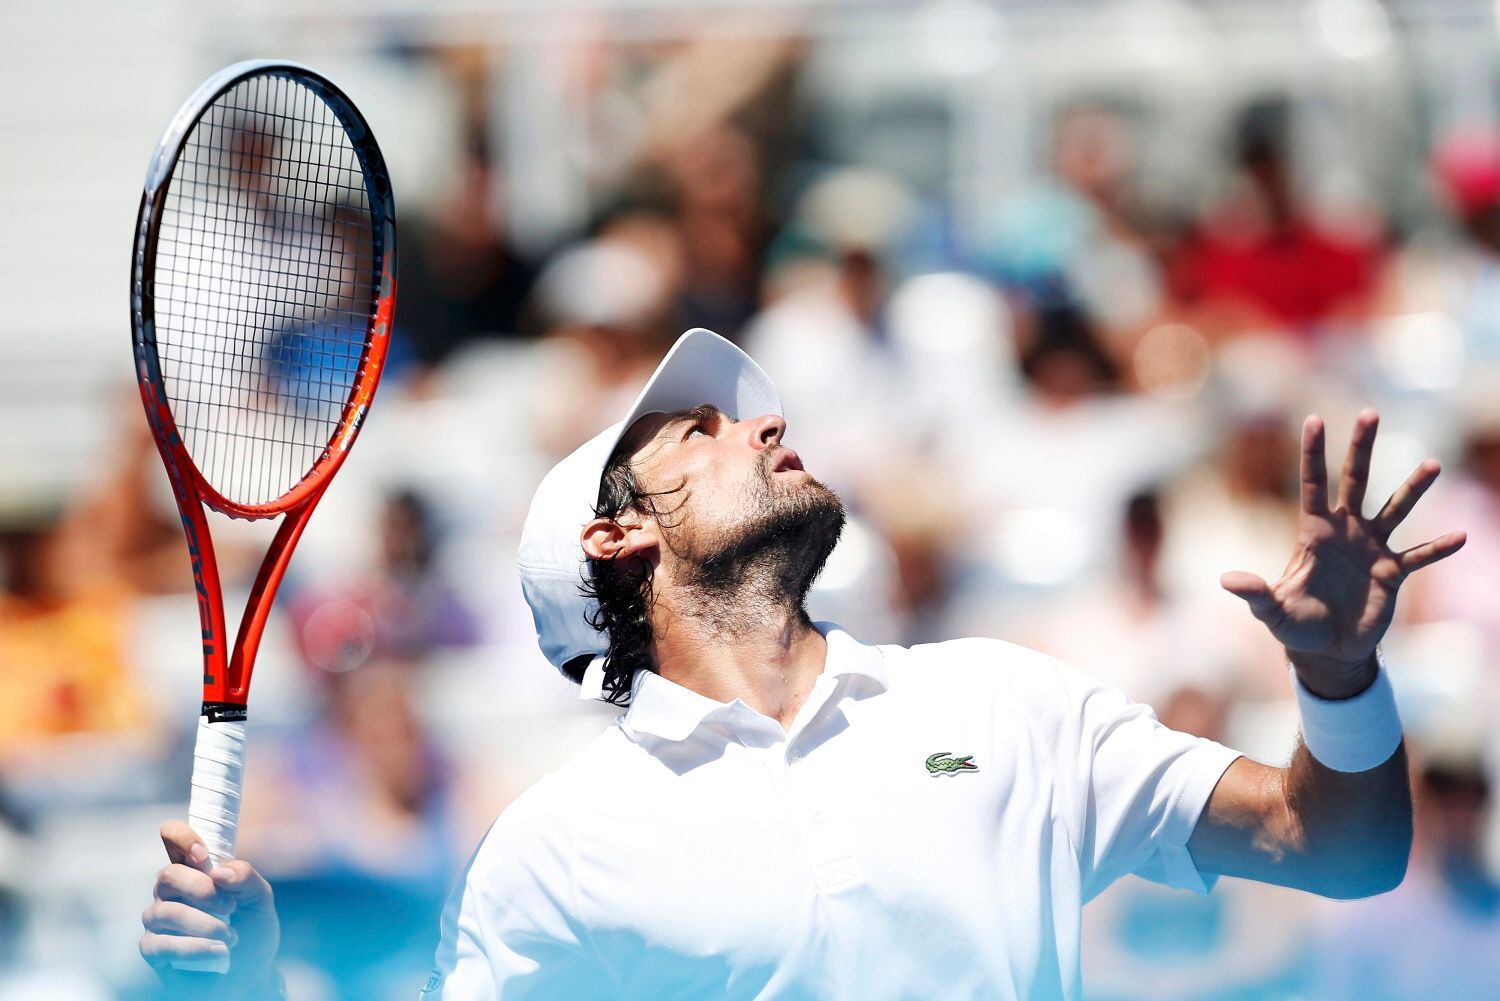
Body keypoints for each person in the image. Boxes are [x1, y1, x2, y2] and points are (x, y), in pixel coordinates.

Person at [140, 328, 1466, 1000]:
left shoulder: (1005, 700)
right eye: (699, 431)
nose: (765, 419)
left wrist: (1340, 678)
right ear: (617, 537)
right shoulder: (551, 848)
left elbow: (1334, 845)